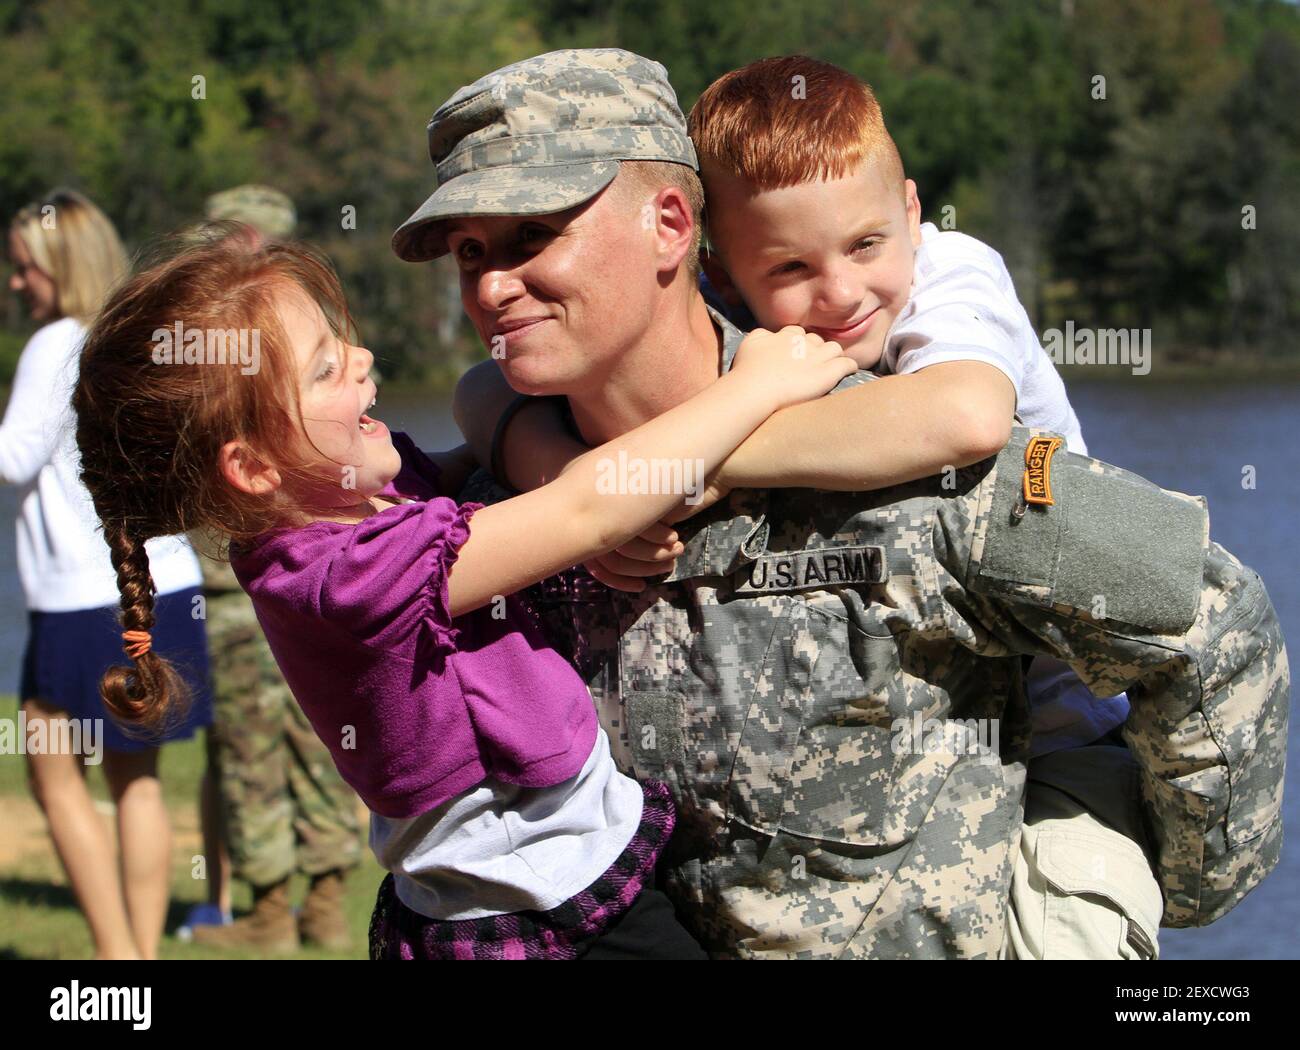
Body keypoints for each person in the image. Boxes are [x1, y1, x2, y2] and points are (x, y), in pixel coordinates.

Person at [394, 48, 1289, 958]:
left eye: (532, 237)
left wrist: (1148, 884)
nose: (491, 287)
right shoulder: (499, 515)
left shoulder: (909, 455)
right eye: (470, 253)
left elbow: (1209, 614)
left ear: (671, 226)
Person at [69, 230, 855, 959]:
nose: (362, 356)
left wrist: (565, 492)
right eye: (323, 368)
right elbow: (584, 506)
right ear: (253, 468)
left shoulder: (356, 499)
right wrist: (755, 385)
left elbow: (496, 468)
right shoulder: (343, 573)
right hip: (535, 906)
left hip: (548, 872)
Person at [1, 188, 212, 959]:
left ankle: (118, 961)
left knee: (54, 780)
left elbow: (12, 457)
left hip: (81, 599)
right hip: (159, 588)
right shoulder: (135, 338)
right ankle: (144, 963)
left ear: (59, 264)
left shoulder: (54, 341)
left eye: (24, 268)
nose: (15, 282)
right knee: (138, 782)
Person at [176, 189, 365, 955]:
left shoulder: (230, 341)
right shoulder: (320, 332)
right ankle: (317, 902)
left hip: (248, 587)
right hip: (310, 577)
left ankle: (273, 912)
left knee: (257, 753)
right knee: (312, 741)